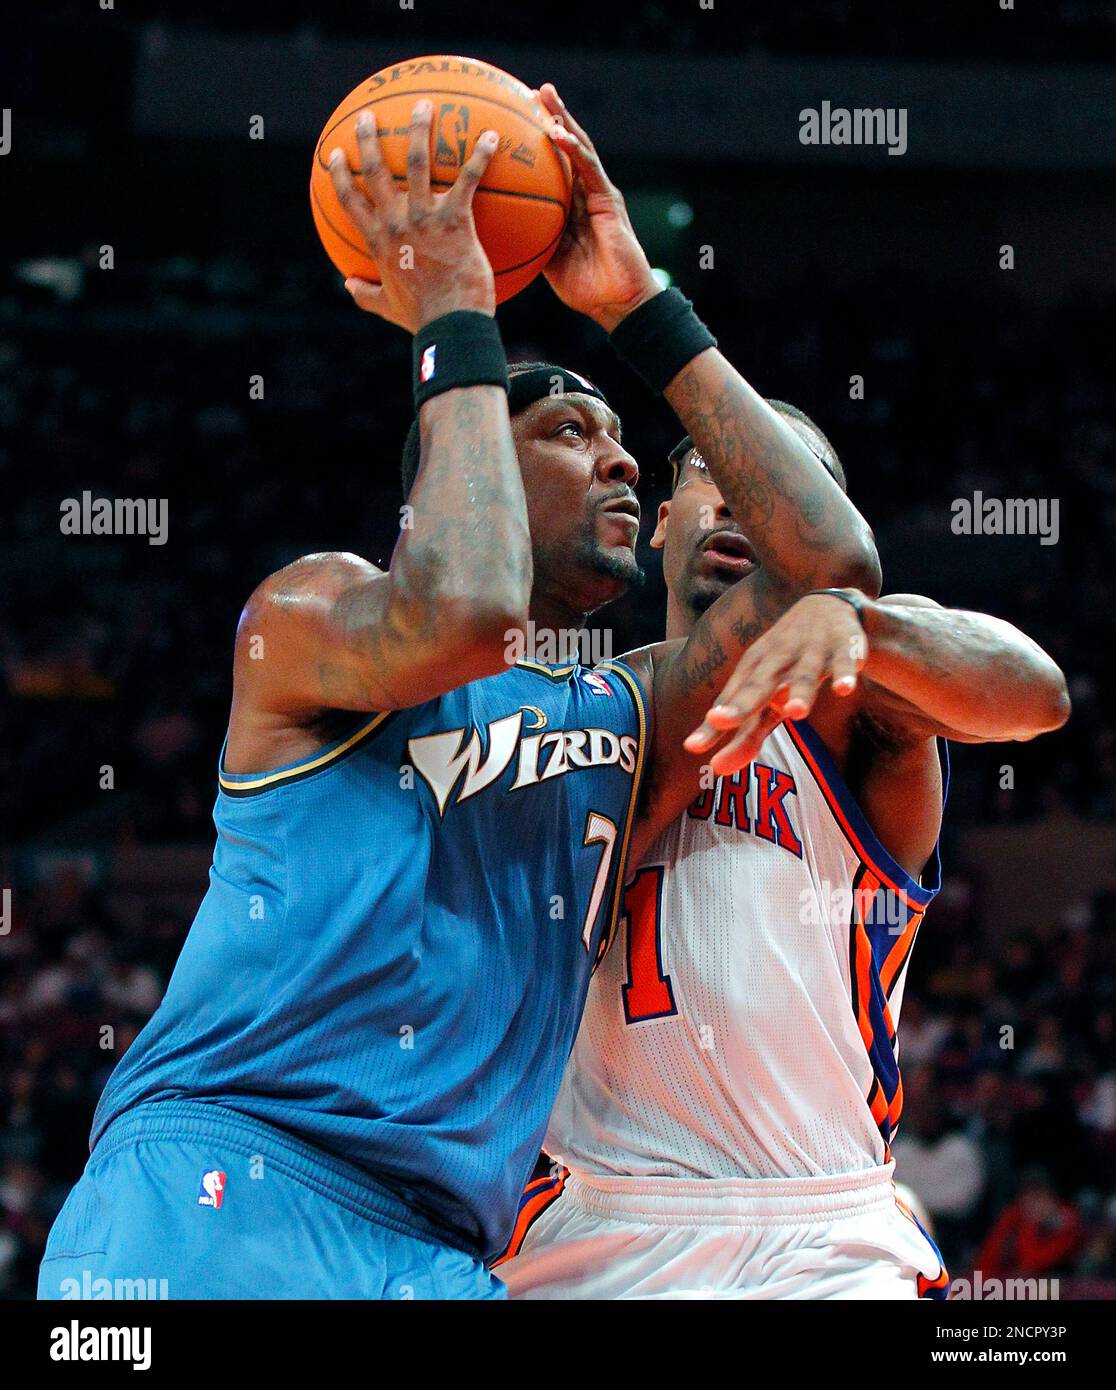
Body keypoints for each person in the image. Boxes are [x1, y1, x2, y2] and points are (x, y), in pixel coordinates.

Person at [38, 88, 877, 1299]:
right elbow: (469, 610)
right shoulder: (311, 614)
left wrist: (644, 307)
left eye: (618, 435)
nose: (625, 457)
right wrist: (455, 311)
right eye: (569, 430)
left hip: (446, 1254)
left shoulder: (635, 719)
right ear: (458, 455)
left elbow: (831, 571)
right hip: (225, 1192)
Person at [499, 429, 1070, 1299]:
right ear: (660, 523)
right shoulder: (580, 717)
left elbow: (1035, 695)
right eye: (708, 476)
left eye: (778, 482)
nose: (738, 497)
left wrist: (855, 620)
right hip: (601, 1216)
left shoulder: (864, 723)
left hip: (824, 1233)